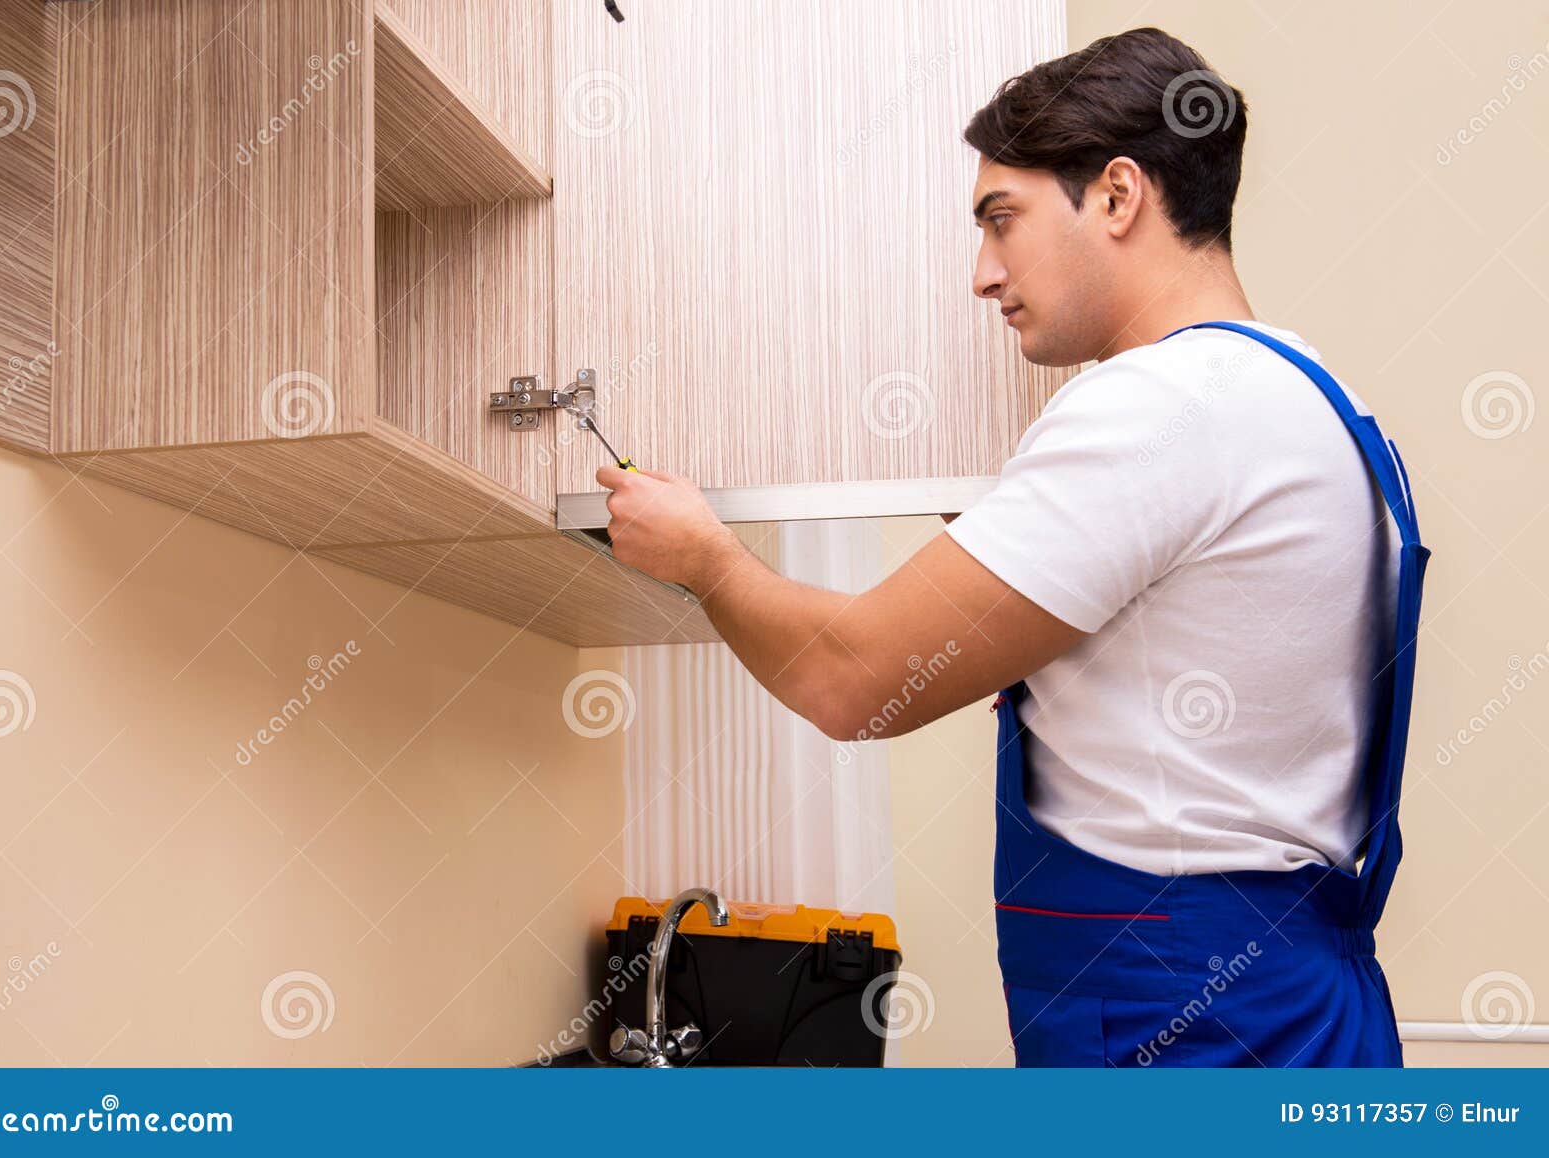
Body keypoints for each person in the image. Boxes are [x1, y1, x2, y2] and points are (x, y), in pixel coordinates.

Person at [594, 26, 1429, 1067]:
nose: (984, 275)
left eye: (1002, 219)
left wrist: (706, 559)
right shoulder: (1315, 401)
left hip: (1187, 1025)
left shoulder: (1157, 406)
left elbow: (854, 681)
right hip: (1298, 1004)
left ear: (1118, 196)